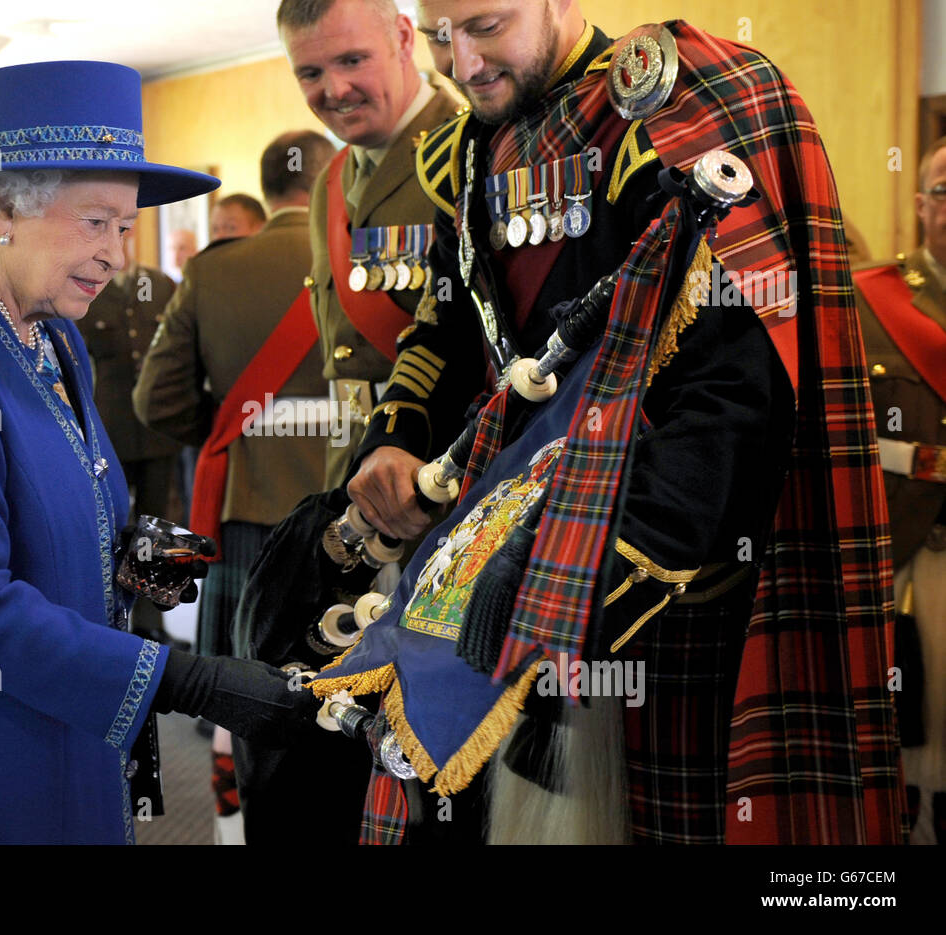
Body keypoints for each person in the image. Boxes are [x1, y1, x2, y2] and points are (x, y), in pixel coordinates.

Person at [299, 0, 906, 844]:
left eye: (484, 26)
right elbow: (448, 322)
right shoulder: (462, 150)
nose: (463, 64)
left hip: (666, 579)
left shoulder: (683, 101)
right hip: (506, 569)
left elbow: (737, 389)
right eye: (440, 35)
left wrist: (586, 573)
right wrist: (397, 435)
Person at [0, 60, 319, 845]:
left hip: (57, 726)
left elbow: (78, 499)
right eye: (97, 222)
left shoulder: (53, 332)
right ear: (7, 205)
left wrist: (134, 550)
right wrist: (189, 678)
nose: (118, 254)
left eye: (125, 226)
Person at [134, 130, 342, 843]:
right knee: (354, 693)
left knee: (241, 693)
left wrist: (234, 429)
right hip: (360, 517)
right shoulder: (365, 256)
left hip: (248, 518)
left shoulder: (214, 270)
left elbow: (156, 402)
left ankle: (235, 831)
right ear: (331, 179)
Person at [279, 0, 461, 489]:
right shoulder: (330, 183)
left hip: (442, 471)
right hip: (355, 471)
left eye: (352, 60)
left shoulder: (469, 146)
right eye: (310, 72)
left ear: (404, 38)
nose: (334, 90)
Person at [852, 136, 946, 844]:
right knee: (911, 750)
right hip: (913, 561)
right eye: (945, 191)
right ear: (920, 207)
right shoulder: (871, 301)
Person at [75, 231, 182, 645]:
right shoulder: (90, 286)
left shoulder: (161, 286)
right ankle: (112, 619)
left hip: (157, 430)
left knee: (160, 528)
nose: (124, 243)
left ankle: (155, 623)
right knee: (113, 525)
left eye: (127, 233)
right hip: (109, 429)